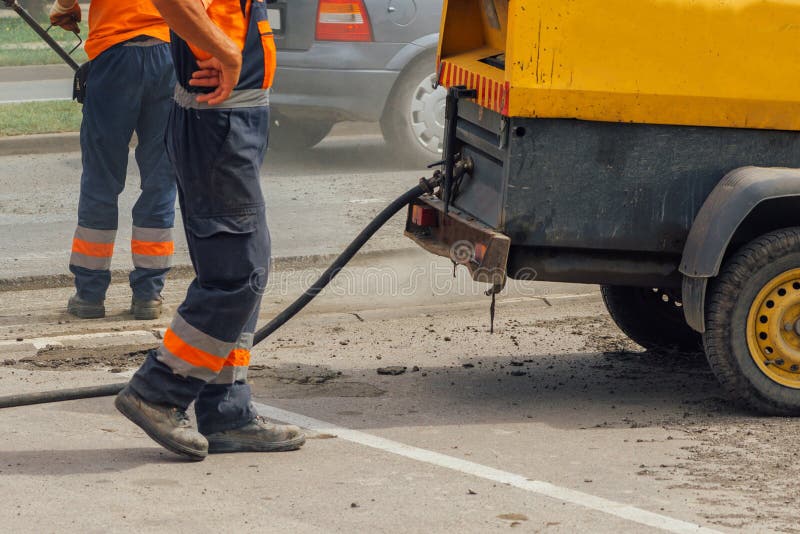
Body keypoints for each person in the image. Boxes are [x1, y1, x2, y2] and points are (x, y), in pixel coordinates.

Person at [112, 0, 305, 460]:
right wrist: (227, 51)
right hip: (218, 126)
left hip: (232, 122)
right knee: (239, 275)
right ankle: (157, 392)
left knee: (240, 271)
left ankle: (227, 414)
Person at [50, 0, 177, 320]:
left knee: (100, 180)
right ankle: (149, 294)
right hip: (169, 52)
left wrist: (63, 8)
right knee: (161, 181)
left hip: (115, 54)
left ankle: (90, 295)